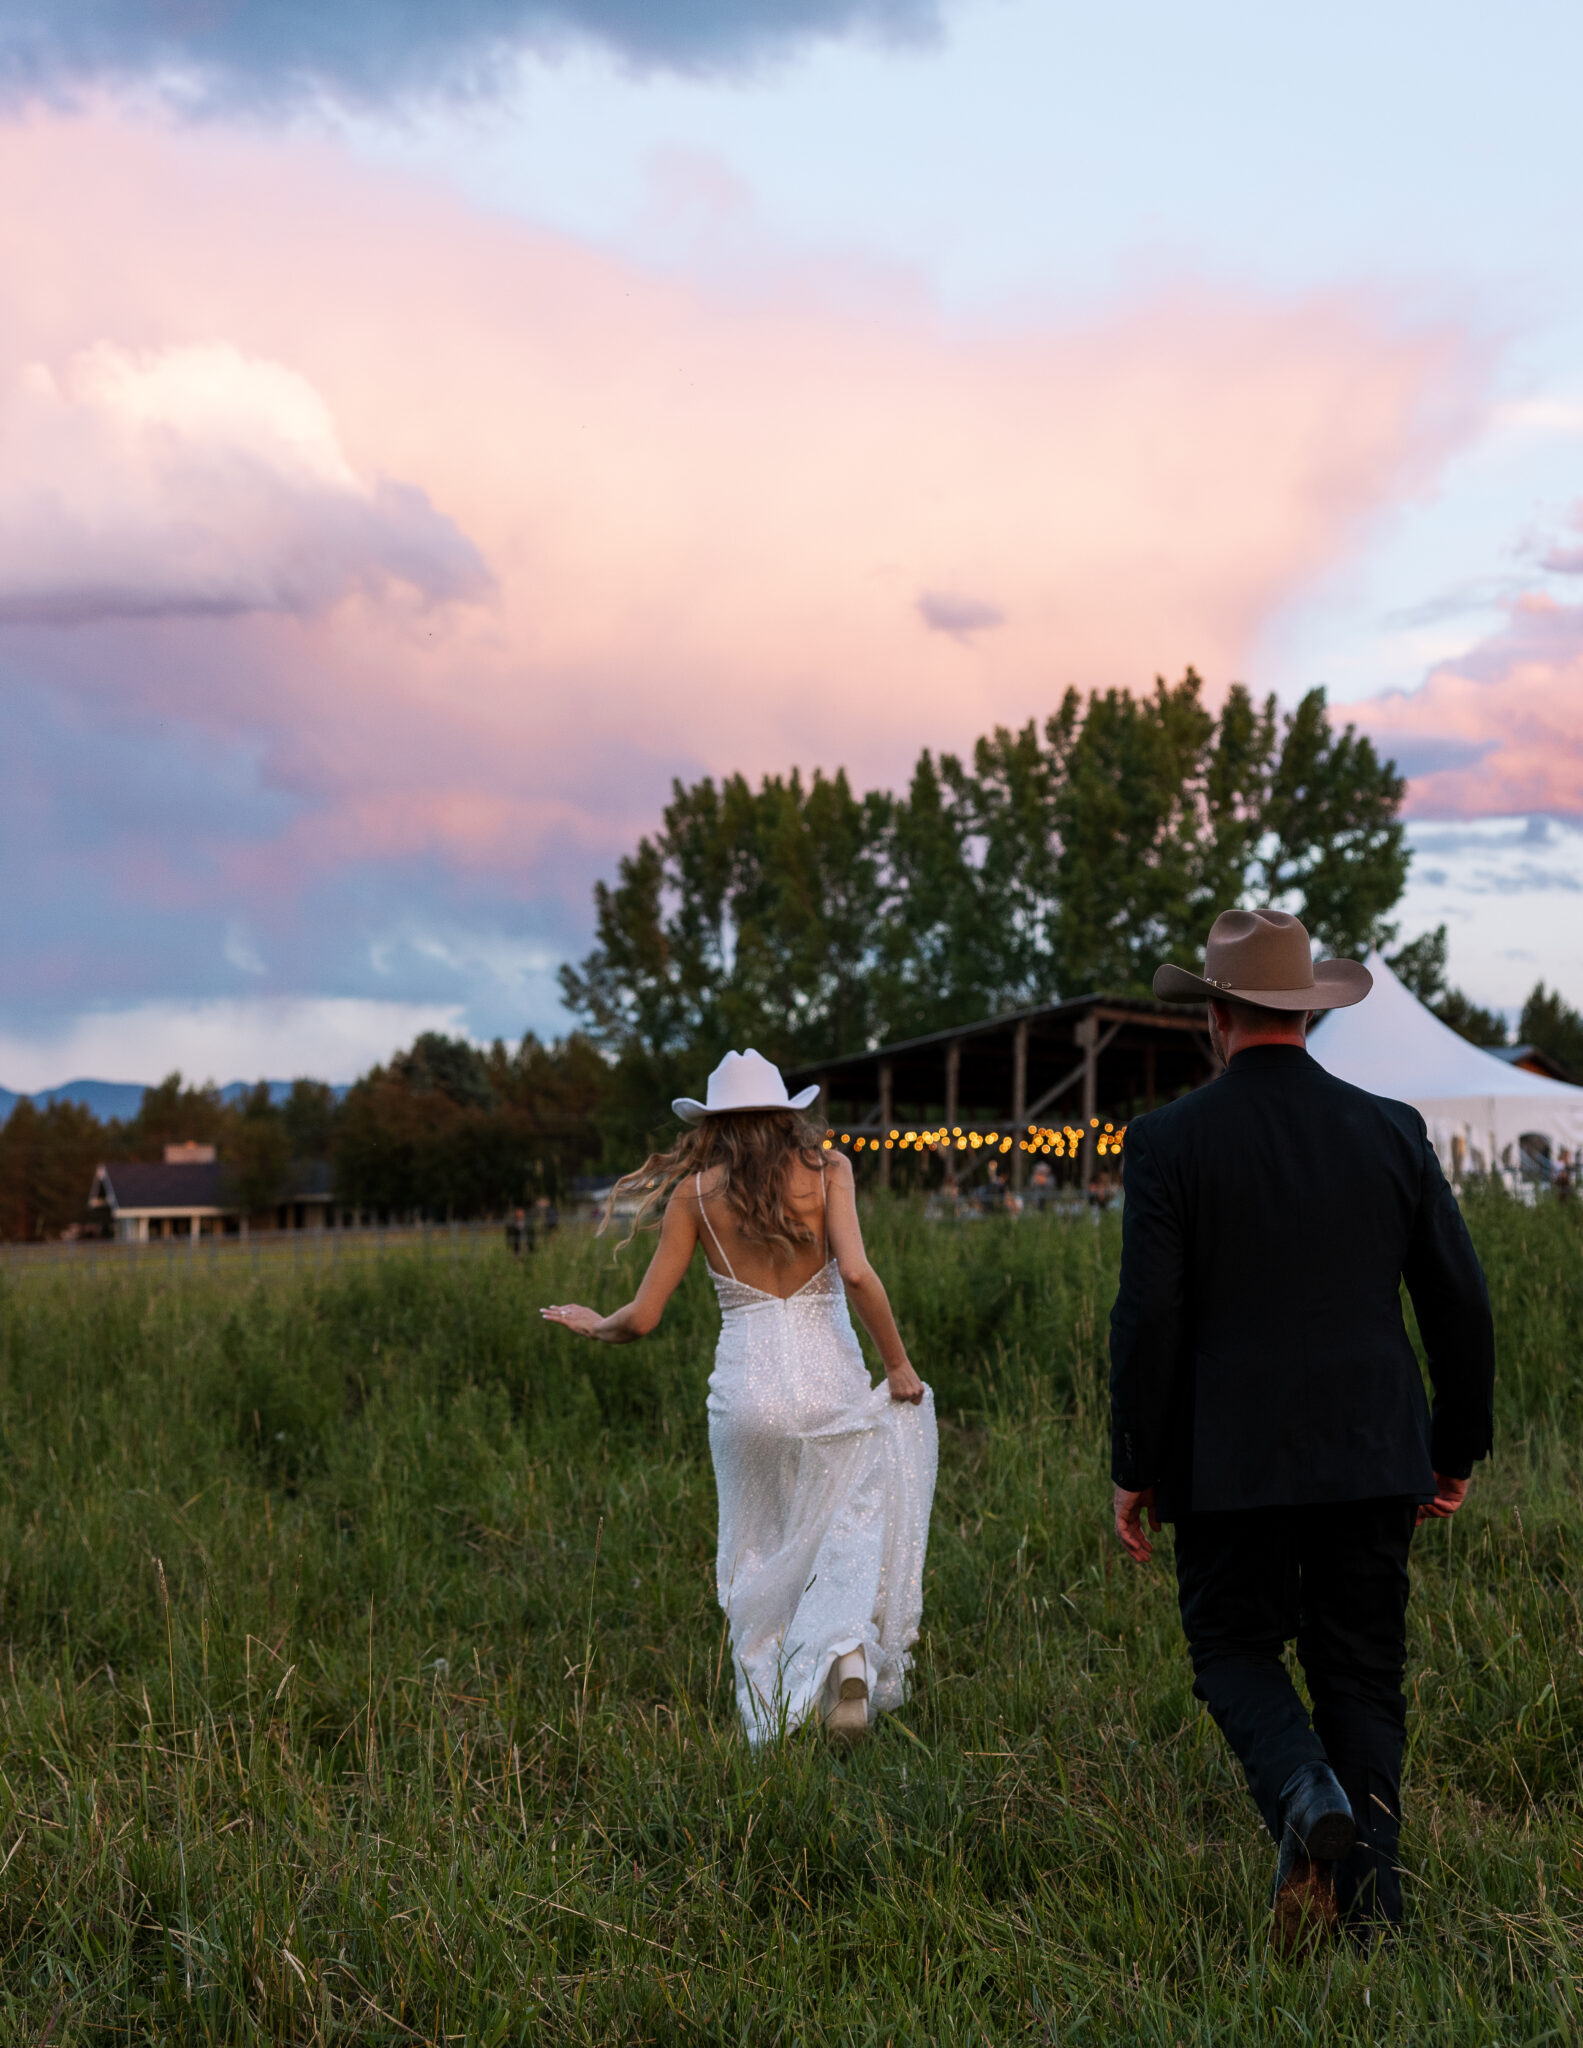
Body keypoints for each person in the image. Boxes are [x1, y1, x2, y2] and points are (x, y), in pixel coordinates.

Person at [1108, 909, 1494, 1950]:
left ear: (1216, 1017)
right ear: (1304, 1013)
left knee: (1231, 1646)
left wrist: (1133, 1463)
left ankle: (1296, 1780)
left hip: (1224, 1460)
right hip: (1374, 1451)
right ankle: (1373, 1918)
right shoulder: (1389, 1129)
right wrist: (1451, 1446)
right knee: (1358, 1670)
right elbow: (1458, 1304)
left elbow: (1148, 1319)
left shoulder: (1167, 1139)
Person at [543, 1049, 938, 1748]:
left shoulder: (693, 1195)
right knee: (844, 1519)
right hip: (829, 1379)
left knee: (759, 1547)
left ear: (713, 1126)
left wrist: (592, 1325)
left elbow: (640, 1319)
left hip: (747, 1392)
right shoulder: (829, 1171)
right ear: (787, 1114)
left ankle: (775, 1716)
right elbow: (856, 1274)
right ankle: (843, 1648)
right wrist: (898, 1367)